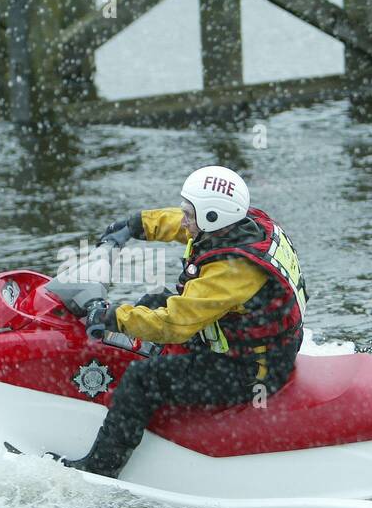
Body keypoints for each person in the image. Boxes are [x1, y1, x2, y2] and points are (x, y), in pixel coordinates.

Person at [58, 165, 309, 477]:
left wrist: (112, 317)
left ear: (212, 218)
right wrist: (135, 225)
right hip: (245, 340)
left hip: (251, 370)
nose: (184, 219)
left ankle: (100, 469)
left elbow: (173, 325)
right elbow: (182, 225)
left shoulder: (233, 270)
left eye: (190, 214)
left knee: (141, 379)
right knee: (152, 301)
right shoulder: (243, 224)